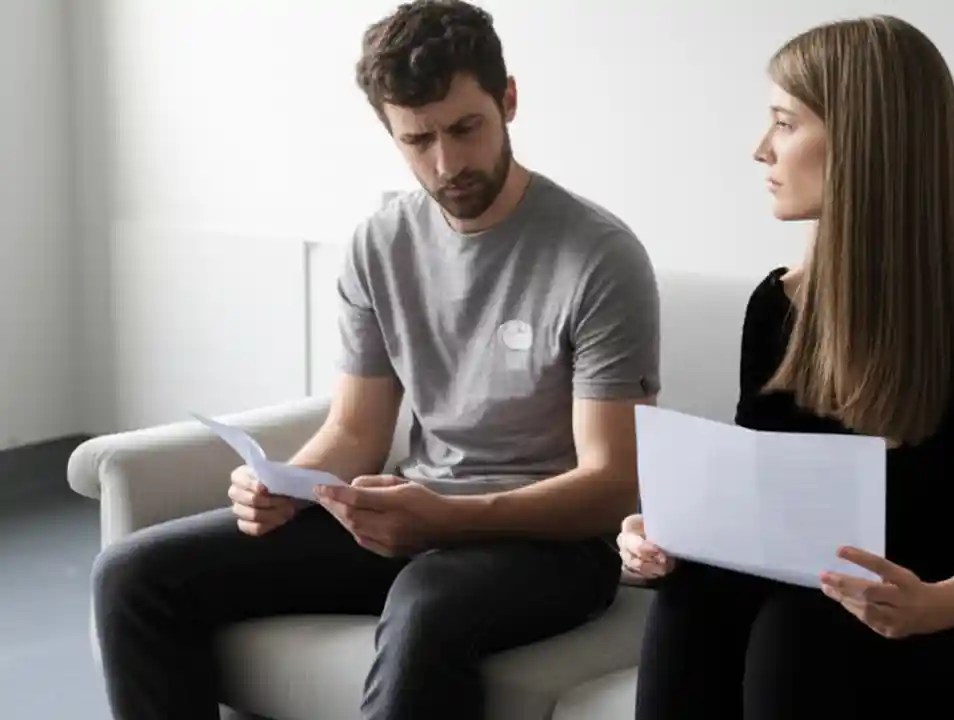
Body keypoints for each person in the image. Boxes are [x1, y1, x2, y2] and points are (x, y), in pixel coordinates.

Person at [91, 2, 660, 719]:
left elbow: (613, 484)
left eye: (465, 128)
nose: (447, 164)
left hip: (554, 544)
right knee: (134, 575)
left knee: (426, 602)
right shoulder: (380, 245)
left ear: (509, 100)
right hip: (412, 512)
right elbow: (356, 431)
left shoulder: (599, 257)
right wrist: (286, 484)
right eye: (418, 139)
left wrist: (445, 521)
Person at [618, 15, 954, 719]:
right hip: (828, 605)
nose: (760, 149)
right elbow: (758, 511)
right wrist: (669, 536)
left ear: (863, 143)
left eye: (784, 123)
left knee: (799, 629)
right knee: (696, 595)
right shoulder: (777, 307)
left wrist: (926, 606)